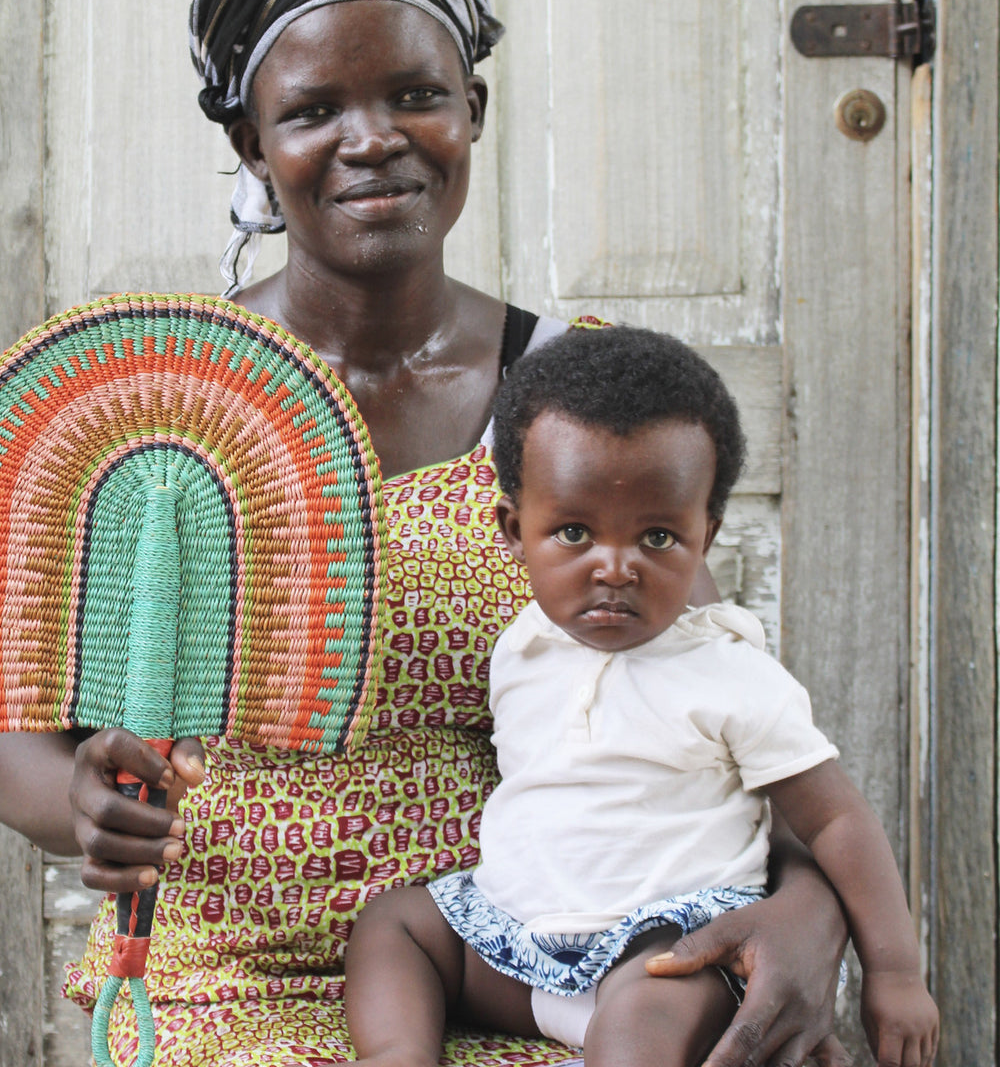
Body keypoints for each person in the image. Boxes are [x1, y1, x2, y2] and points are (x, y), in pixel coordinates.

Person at [0, 0, 854, 1067]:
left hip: (532, 957)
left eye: (414, 95)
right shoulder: (150, 399)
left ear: (470, 112)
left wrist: (811, 909)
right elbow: (15, 748)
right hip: (225, 970)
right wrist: (85, 799)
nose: (370, 136)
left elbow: (714, 717)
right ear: (250, 145)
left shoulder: (579, 403)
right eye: (313, 110)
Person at [344, 326, 939, 1067]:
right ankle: (397, 1053)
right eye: (573, 532)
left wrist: (894, 972)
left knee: (638, 1027)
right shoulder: (520, 650)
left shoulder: (729, 673)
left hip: (667, 956)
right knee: (396, 925)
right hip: (515, 943)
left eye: (657, 538)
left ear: (705, 536)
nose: (615, 567)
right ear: (513, 531)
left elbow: (839, 819)